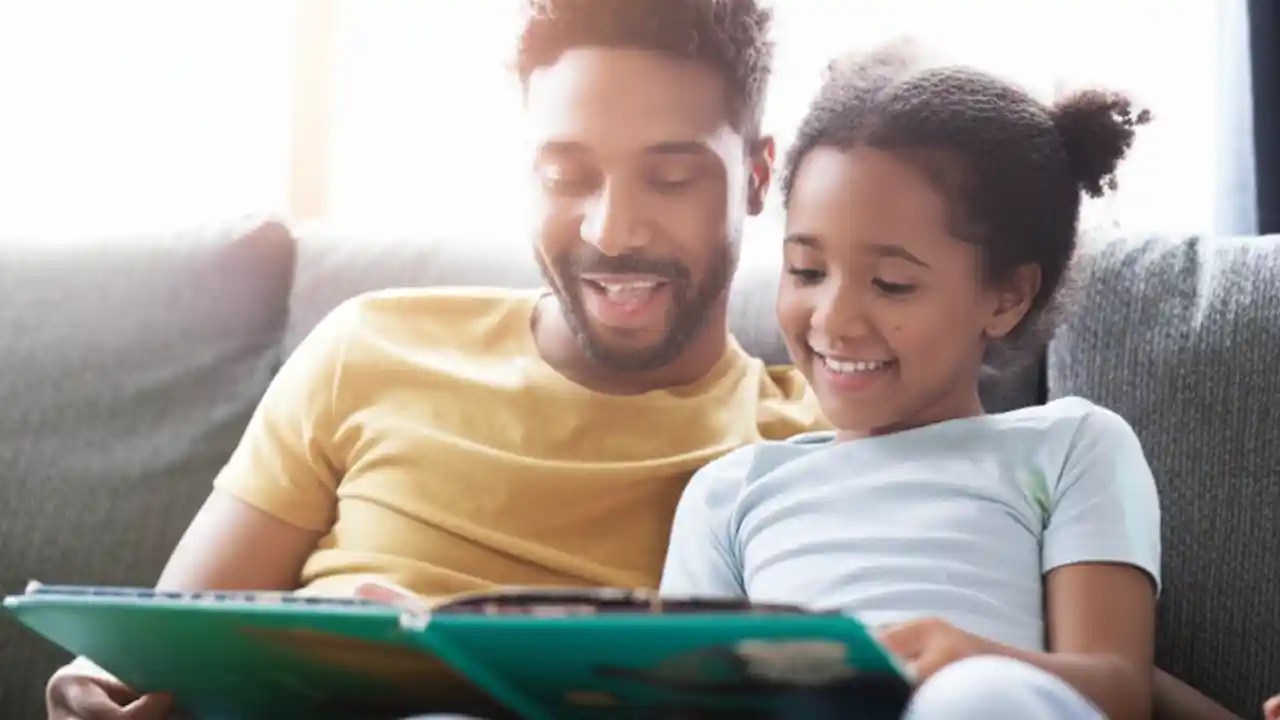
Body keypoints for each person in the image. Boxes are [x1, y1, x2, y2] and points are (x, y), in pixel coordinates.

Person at [44, 1, 829, 718]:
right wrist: (95, 688)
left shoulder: (812, 443)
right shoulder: (369, 347)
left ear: (757, 178)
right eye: (567, 176)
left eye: (670, 178)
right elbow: (158, 646)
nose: (611, 230)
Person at [659, 46, 1162, 720]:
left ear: (1006, 296)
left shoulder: (1071, 446)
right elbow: (678, 696)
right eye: (807, 271)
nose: (833, 320)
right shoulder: (727, 494)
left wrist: (975, 658)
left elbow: (1118, 694)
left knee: (976, 697)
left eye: (891, 284)